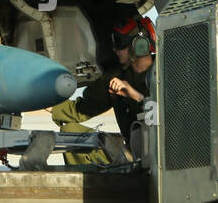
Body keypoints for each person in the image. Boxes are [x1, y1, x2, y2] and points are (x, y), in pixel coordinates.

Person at [50, 15, 156, 153]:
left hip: (163, 155)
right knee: (70, 131)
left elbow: (166, 120)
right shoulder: (116, 78)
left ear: (138, 44)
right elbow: (83, 108)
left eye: (119, 43)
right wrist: (48, 103)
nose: (115, 50)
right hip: (133, 153)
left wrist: (136, 96)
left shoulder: (168, 73)